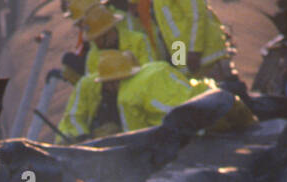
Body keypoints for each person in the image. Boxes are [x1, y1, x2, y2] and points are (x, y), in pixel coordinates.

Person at [57, 49, 210, 142]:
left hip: (179, 137)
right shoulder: (158, 67)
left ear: (112, 81)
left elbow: (135, 138)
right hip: (205, 116)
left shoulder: (126, 97)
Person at [150, 0, 232, 80]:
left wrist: (194, 49)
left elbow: (196, 14)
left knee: (224, 90)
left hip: (207, 57)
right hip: (190, 62)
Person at [79, 2, 155, 76]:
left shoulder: (138, 41)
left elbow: (150, 73)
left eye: (99, 38)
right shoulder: (92, 57)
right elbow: (93, 85)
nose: (97, 44)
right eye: (94, 39)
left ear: (110, 30)